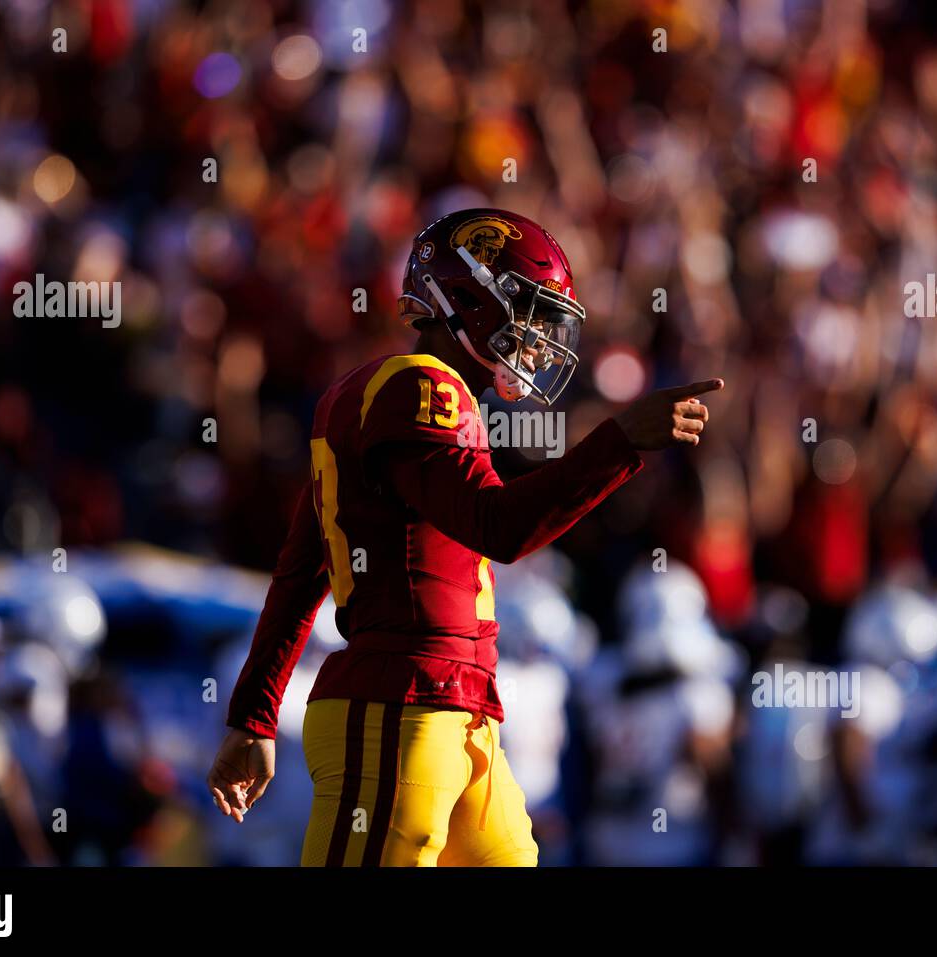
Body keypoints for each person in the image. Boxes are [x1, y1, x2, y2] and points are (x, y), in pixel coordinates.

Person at [207, 208, 723, 866]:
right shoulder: (417, 387)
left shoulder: (405, 397)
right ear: (470, 297)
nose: (540, 338)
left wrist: (254, 712)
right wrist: (621, 442)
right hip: (399, 702)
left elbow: (304, 568)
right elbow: (496, 525)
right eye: (530, 312)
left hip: (459, 707)